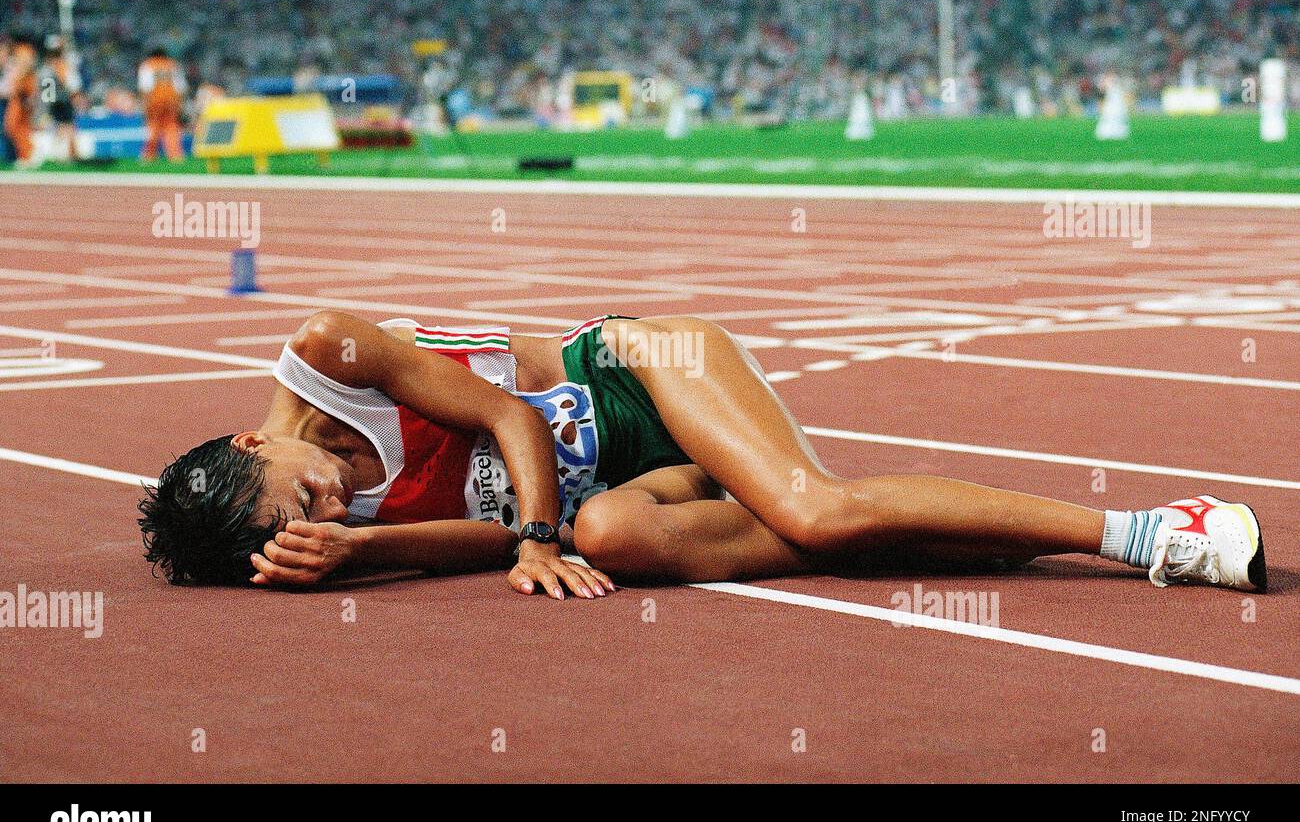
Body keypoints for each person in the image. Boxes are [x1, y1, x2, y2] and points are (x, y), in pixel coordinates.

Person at [139, 312, 1265, 597]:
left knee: (818, 516)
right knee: (611, 534)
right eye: (315, 523)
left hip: (642, 365)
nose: (332, 503)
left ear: (256, 440)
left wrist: (534, 533)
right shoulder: (322, 527)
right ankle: (950, 533)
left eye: (308, 494)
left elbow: (516, 422)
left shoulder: (326, 354)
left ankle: (1157, 532)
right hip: (644, 483)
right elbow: (489, 544)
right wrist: (353, 558)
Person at [137, 47, 185, 161]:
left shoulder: (148, 65)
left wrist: (145, 105)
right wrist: (179, 105)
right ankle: (175, 156)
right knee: (171, 128)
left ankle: (149, 155)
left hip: (154, 101)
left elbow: (145, 87)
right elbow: (181, 88)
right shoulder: (173, 65)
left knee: (153, 127)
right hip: (171, 101)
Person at [2, 37, 39, 168]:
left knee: (16, 126)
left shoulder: (23, 50)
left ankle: (27, 155)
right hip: (19, 95)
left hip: (22, 95)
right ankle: (25, 155)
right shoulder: (18, 53)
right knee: (14, 127)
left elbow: (27, 67)